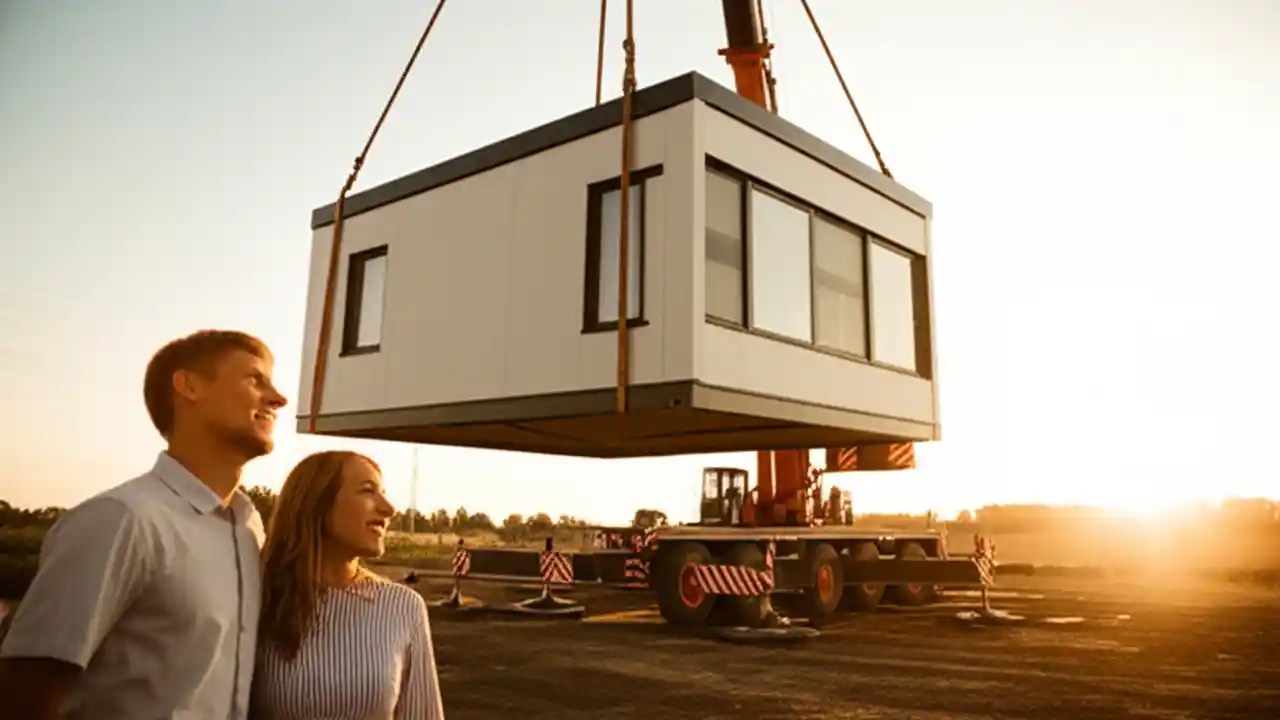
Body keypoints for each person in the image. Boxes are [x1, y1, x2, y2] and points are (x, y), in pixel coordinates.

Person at [0, 329, 287, 720]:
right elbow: (26, 685)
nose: (278, 398)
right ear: (188, 386)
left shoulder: (249, 527)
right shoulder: (121, 519)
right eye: (255, 379)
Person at [251, 450, 445, 720]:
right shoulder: (256, 597)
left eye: (384, 492)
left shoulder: (402, 607)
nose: (389, 509)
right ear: (316, 503)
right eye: (368, 491)